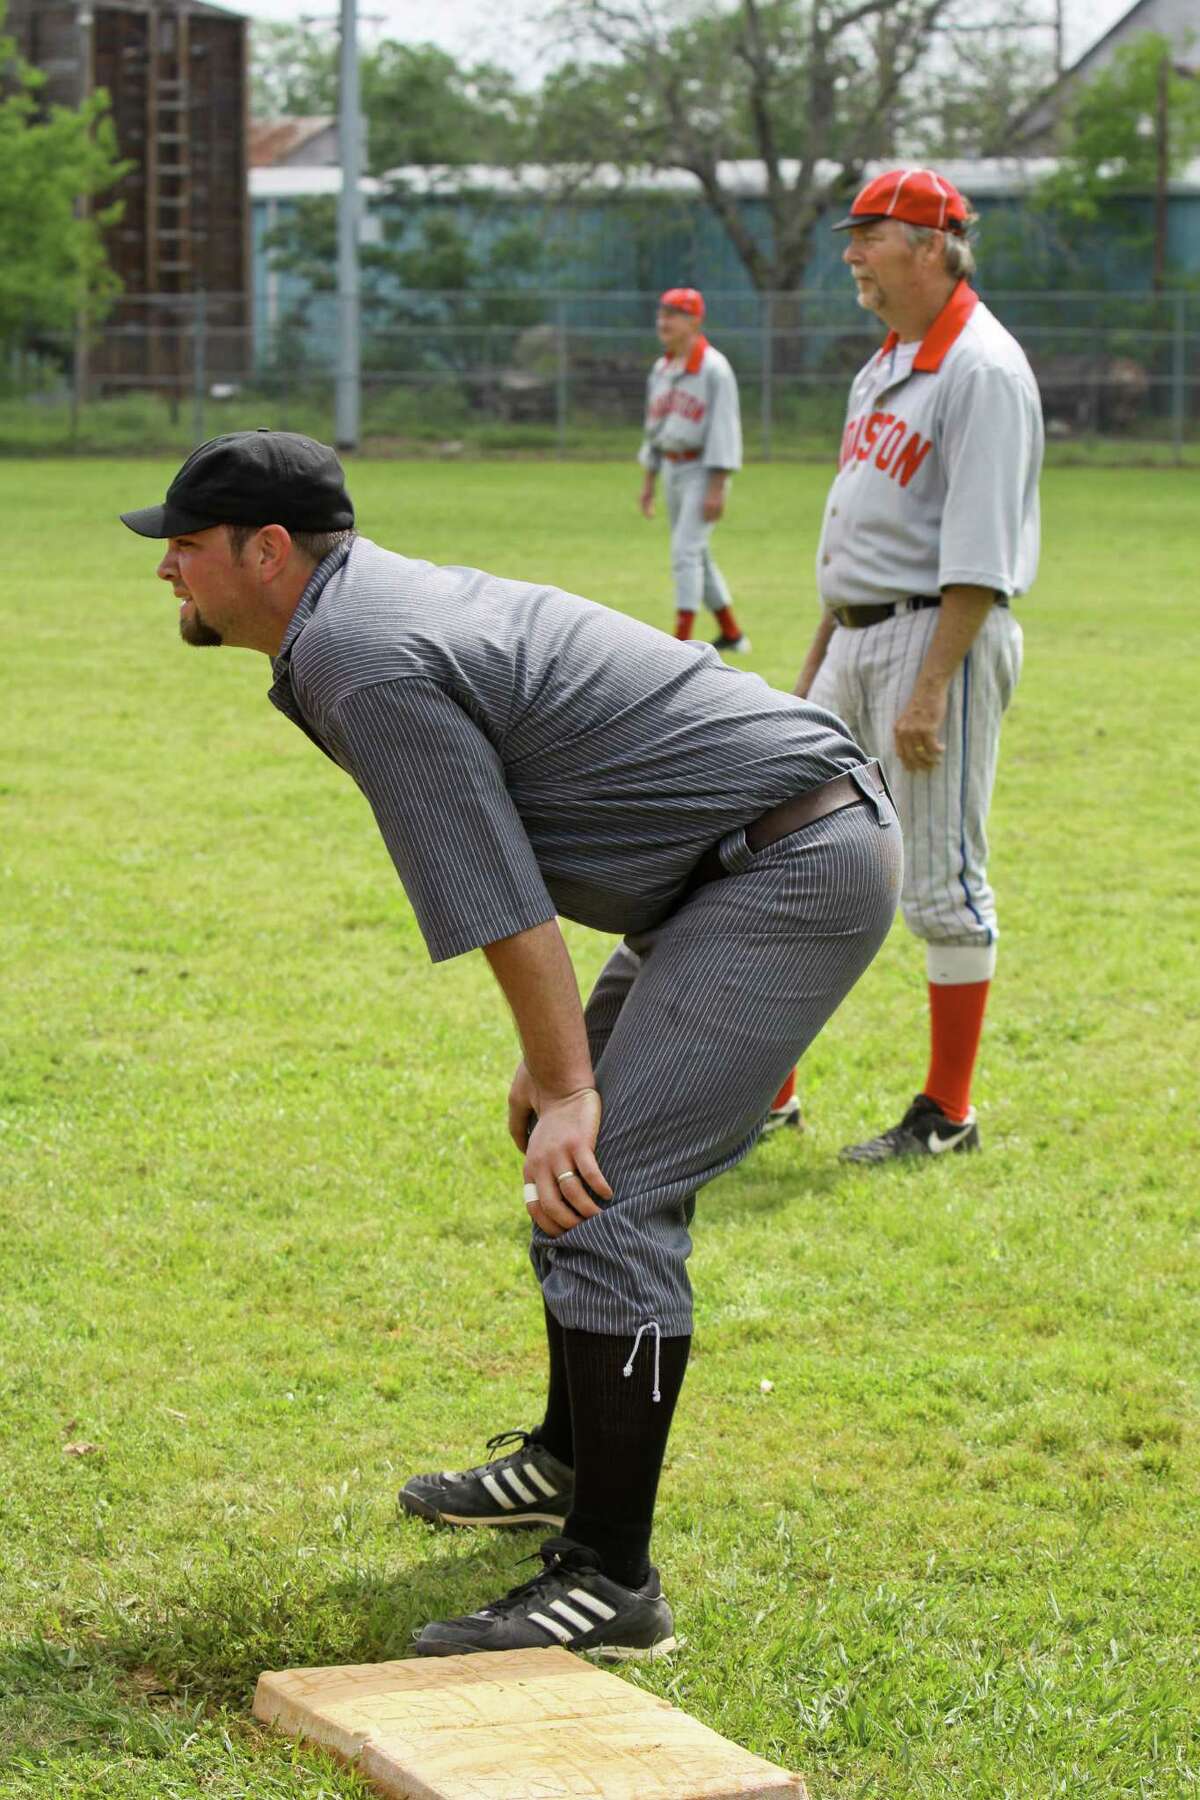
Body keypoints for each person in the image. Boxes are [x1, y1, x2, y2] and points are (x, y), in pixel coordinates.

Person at [121, 427, 901, 1660]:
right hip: (728, 857)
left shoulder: (362, 659)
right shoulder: (354, 618)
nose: (168, 567)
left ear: (269, 553)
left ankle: (612, 1581)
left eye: (186, 545)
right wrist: (557, 1077)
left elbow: (501, 898)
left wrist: (575, 1082)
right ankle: (566, 1457)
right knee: (567, 1142)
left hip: (786, 862)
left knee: (609, 1190)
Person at [786, 168, 1042, 1163]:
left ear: (933, 245)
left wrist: (931, 686)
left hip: (940, 635)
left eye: (872, 234)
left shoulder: (982, 369)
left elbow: (979, 552)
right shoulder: (888, 361)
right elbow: (853, 533)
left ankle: (948, 1110)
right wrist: (813, 667)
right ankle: (772, 1089)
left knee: (939, 878)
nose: (851, 251)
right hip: (855, 634)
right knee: (795, 854)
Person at [638, 287, 750, 653]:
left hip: (703, 468)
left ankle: (681, 641)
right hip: (671, 467)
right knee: (696, 553)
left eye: (673, 314)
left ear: (694, 321)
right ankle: (732, 634)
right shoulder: (663, 368)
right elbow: (655, 427)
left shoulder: (714, 369)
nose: (663, 321)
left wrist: (718, 485)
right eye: (662, 313)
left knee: (685, 552)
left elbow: (724, 428)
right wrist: (649, 479)